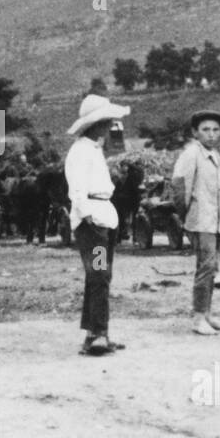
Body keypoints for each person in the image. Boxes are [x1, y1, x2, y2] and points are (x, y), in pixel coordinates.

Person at [63, 94, 130, 357]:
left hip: (104, 216)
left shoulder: (93, 149)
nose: (111, 124)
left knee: (101, 276)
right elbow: (77, 189)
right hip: (93, 221)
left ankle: (95, 333)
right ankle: (98, 333)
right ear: (96, 123)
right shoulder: (80, 151)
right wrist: (88, 216)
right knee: (99, 274)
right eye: (107, 120)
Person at [172, 110, 220, 335]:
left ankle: (207, 314)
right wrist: (187, 215)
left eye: (216, 130)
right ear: (195, 132)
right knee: (205, 267)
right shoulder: (191, 154)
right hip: (199, 220)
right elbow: (179, 187)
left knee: (212, 267)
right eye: (206, 130)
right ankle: (198, 318)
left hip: (214, 221)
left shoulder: (215, 156)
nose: (211, 135)